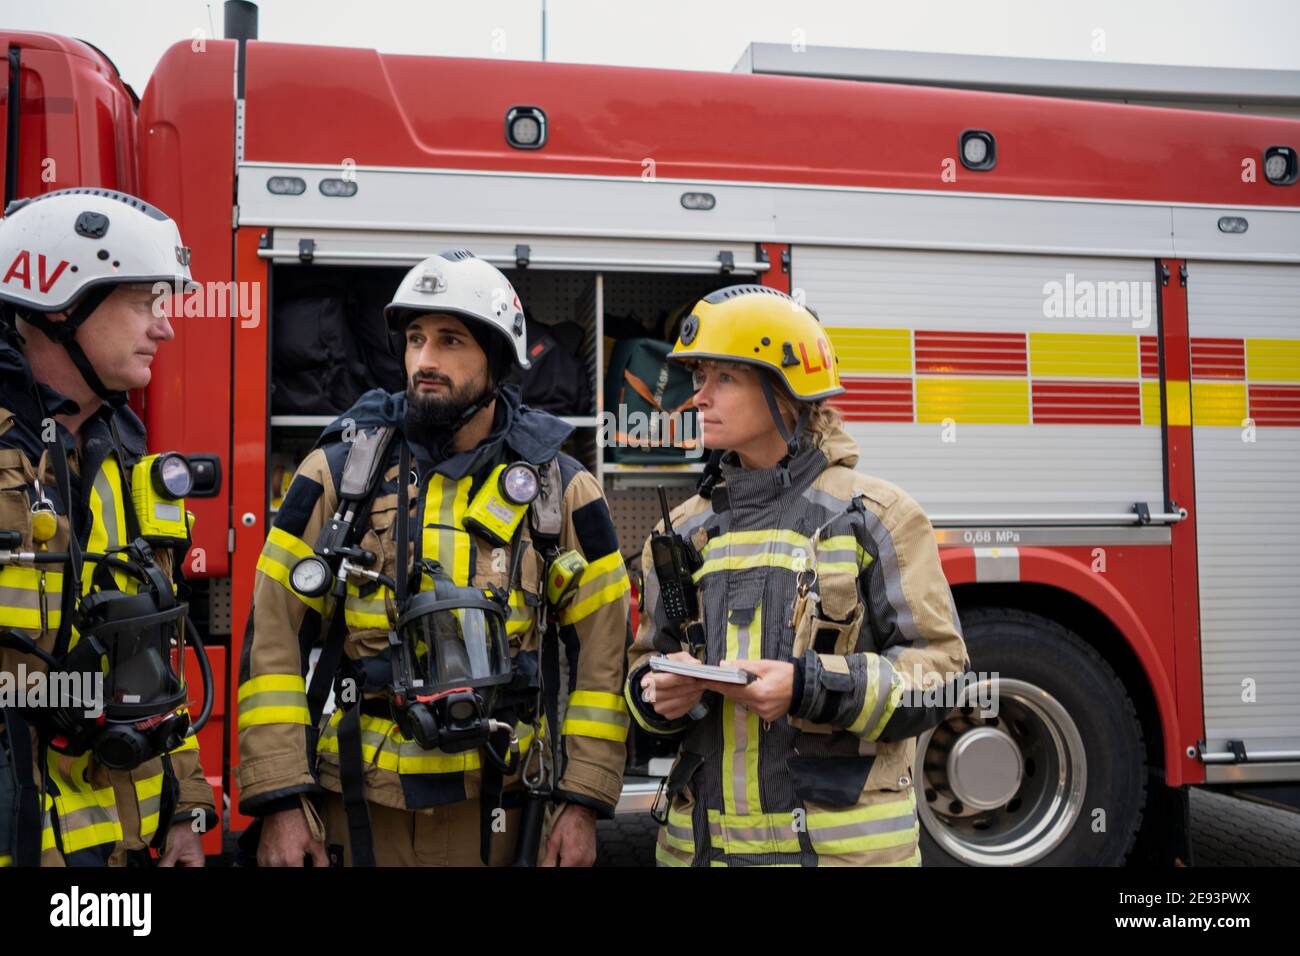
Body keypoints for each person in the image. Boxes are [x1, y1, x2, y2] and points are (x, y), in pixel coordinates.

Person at [238, 249, 631, 866]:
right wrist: (281, 803)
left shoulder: (561, 489)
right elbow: (272, 640)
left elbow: (604, 662)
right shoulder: (341, 473)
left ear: (497, 359)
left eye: (450, 341)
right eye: (416, 339)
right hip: (360, 808)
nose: (424, 360)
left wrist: (581, 804)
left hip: (503, 811)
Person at [626, 285, 970, 866]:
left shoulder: (878, 519)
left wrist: (808, 687)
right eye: (698, 377)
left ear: (786, 394)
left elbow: (943, 675)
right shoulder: (680, 534)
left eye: (724, 379)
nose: (698, 397)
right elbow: (642, 671)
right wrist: (657, 693)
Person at [0, 188, 217, 866]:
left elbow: (153, 659)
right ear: (62, 303)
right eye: (142, 302)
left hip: (111, 848)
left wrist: (183, 807)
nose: (165, 327)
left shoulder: (121, 455)